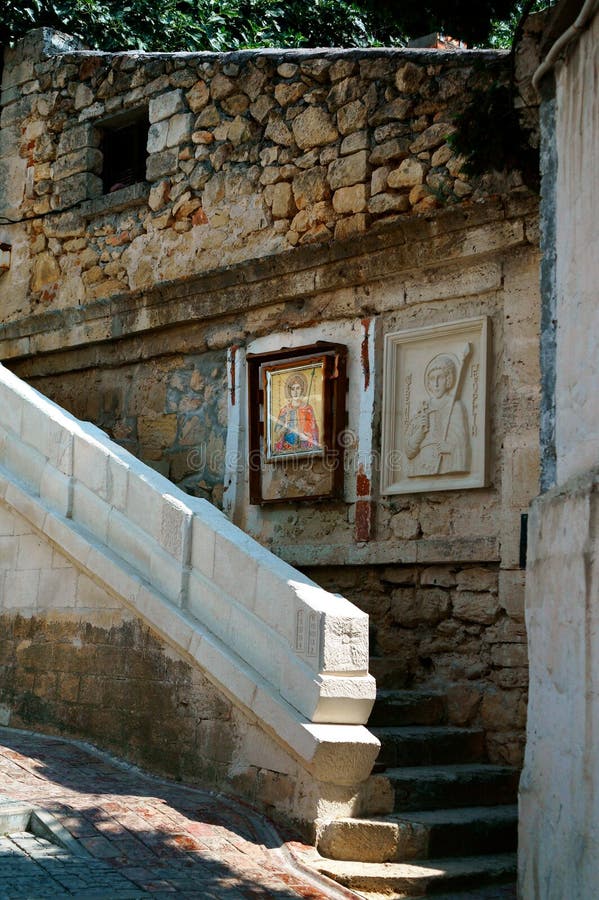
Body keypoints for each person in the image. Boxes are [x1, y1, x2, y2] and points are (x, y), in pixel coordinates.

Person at [405, 353, 470, 476]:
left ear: (448, 380)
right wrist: (420, 432)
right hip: (421, 467)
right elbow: (409, 451)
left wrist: (450, 448)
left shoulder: (455, 407)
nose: (435, 384)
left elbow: (462, 443)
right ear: (428, 383)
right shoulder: (422, 409)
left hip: (445, 465)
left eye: (440, 378)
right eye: (432, 379)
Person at [273, 372, 320, 454]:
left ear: (302, 389)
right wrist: (285, 426)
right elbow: (276, 433)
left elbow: (314, 431)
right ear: (289, 391)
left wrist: (308, 437)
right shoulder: (285, 410)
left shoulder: (308, 409)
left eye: (298, 388)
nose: (295, 392)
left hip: (304, 446)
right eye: (292, 389)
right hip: (287, 447)